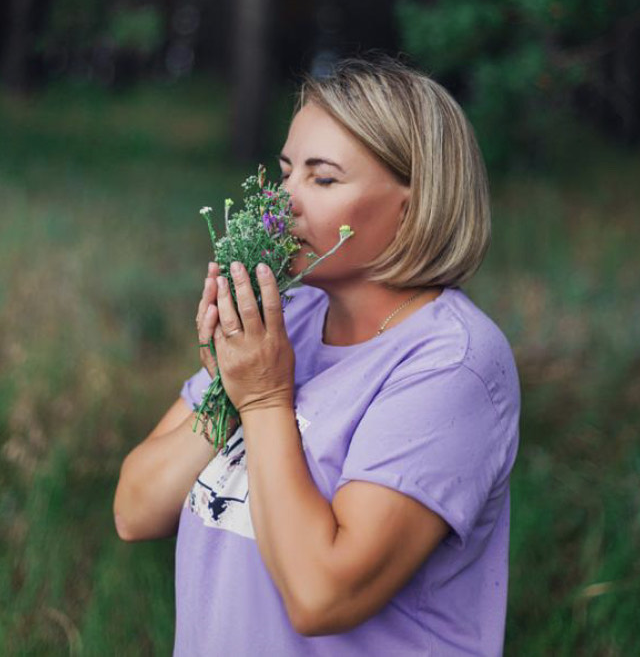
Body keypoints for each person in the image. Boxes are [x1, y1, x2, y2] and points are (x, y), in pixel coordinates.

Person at [113, 56, 520, 657]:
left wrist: (266, 398)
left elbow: (322, 596)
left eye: (323, 179)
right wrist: (228, 392)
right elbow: (135, 511)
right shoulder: (288, 319)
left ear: (415, 204)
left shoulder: (452, 365)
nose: (282, 204)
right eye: (286, 173)